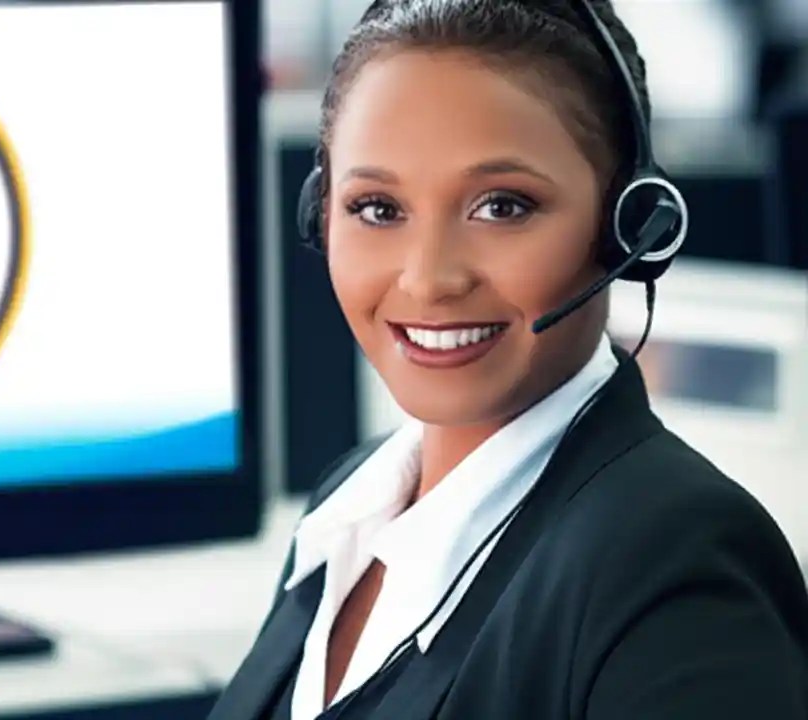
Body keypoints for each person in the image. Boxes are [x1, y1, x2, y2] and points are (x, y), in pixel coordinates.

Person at [208, 1, 808, 719]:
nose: (429, 279)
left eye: (501, 206)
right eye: (377, 208)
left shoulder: (681, 572)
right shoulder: (350, 508)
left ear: (629, 227)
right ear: (320, 214)